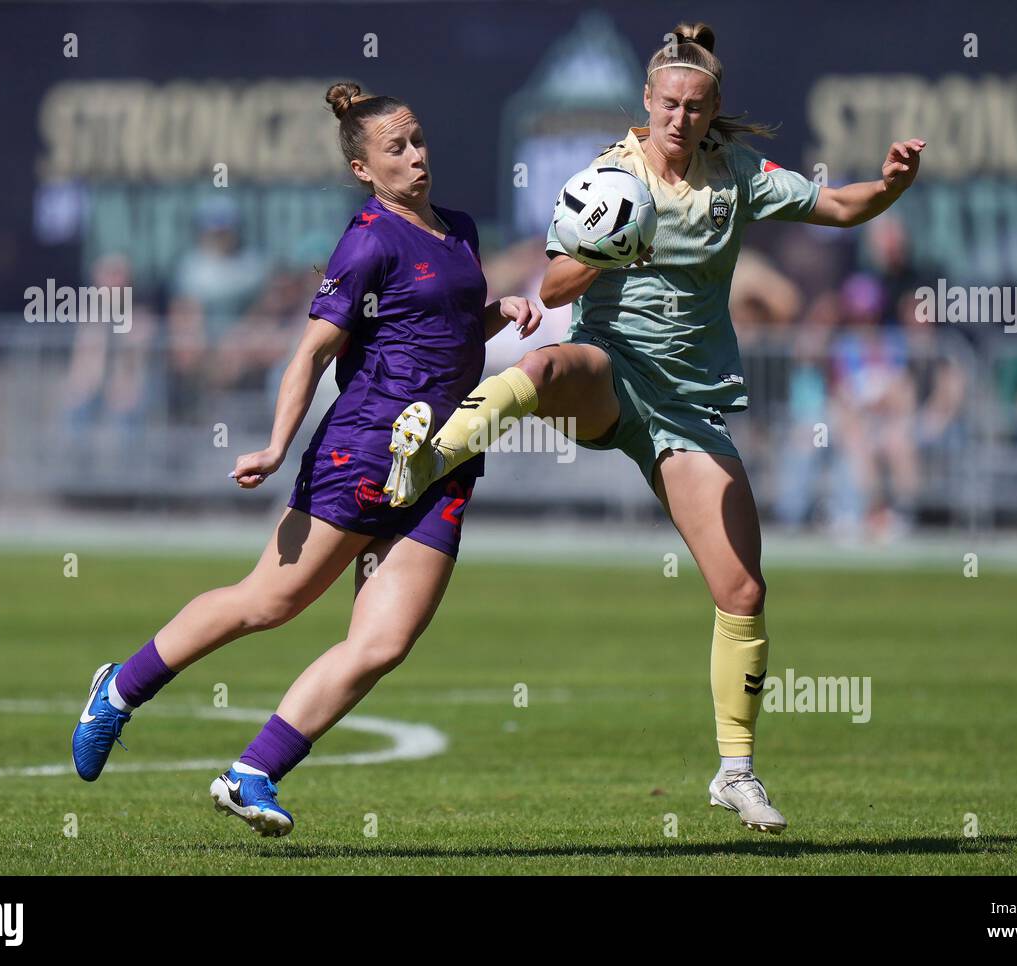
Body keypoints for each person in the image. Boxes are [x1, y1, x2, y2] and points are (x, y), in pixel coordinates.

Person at [386, 22, 924, 834]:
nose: (678, 116)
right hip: (616, 370)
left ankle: (735, 773)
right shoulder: (612, 173)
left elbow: (842, 205)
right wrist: (611, 249)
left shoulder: (738, 174)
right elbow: (557, 283)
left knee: (743, 589)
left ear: (712, 110)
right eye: (667, 103)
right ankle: (430, 456)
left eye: (693, 105)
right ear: (647, 102)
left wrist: (888, 185)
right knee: (548, 369)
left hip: (687, 409)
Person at [70, 82, 541, 837]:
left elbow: (441, 334)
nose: (417, 155)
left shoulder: (458, 228)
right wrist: (277, 443)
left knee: (382, 643)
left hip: (445, 458)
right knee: (270, 602)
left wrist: (499, 312)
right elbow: (312, 353)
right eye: (397, 148)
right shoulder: (367, 241)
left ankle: (251, 773)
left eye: (419, 140)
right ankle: (119, 691)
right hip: (364, 450)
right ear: (363, 169)